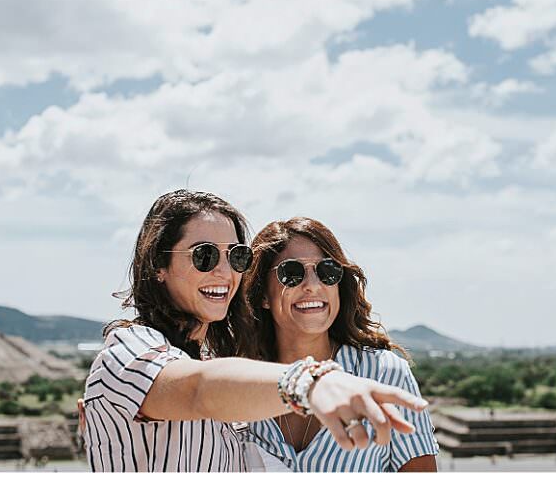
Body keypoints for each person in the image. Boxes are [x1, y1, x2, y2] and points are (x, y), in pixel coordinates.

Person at [81, 190, 429, 472]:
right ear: (159, 264)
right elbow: (197, 390)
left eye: (236, 257)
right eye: (204, 256)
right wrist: (310, 383)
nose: (223, 271)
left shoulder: (227, 366)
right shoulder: (126, 352)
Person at [240, 217, 439, 472]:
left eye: (327, 271)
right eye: (291, 273)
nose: (312, 286)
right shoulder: (240, 380)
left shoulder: (385, 374)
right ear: (263, 294)